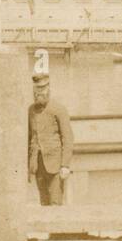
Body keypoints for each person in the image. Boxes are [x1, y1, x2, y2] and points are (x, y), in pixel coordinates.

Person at [27, 72, 73, 206]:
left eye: (42, 89)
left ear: (48, 89)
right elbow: (29, 138)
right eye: (36, 89)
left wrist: (65, 165)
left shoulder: (58, 109)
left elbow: (68, 138)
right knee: (43, 203)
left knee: (56, 203)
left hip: (55, 165)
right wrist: (28, 167)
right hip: (37, 165)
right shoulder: (30, 110)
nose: (38, 93)